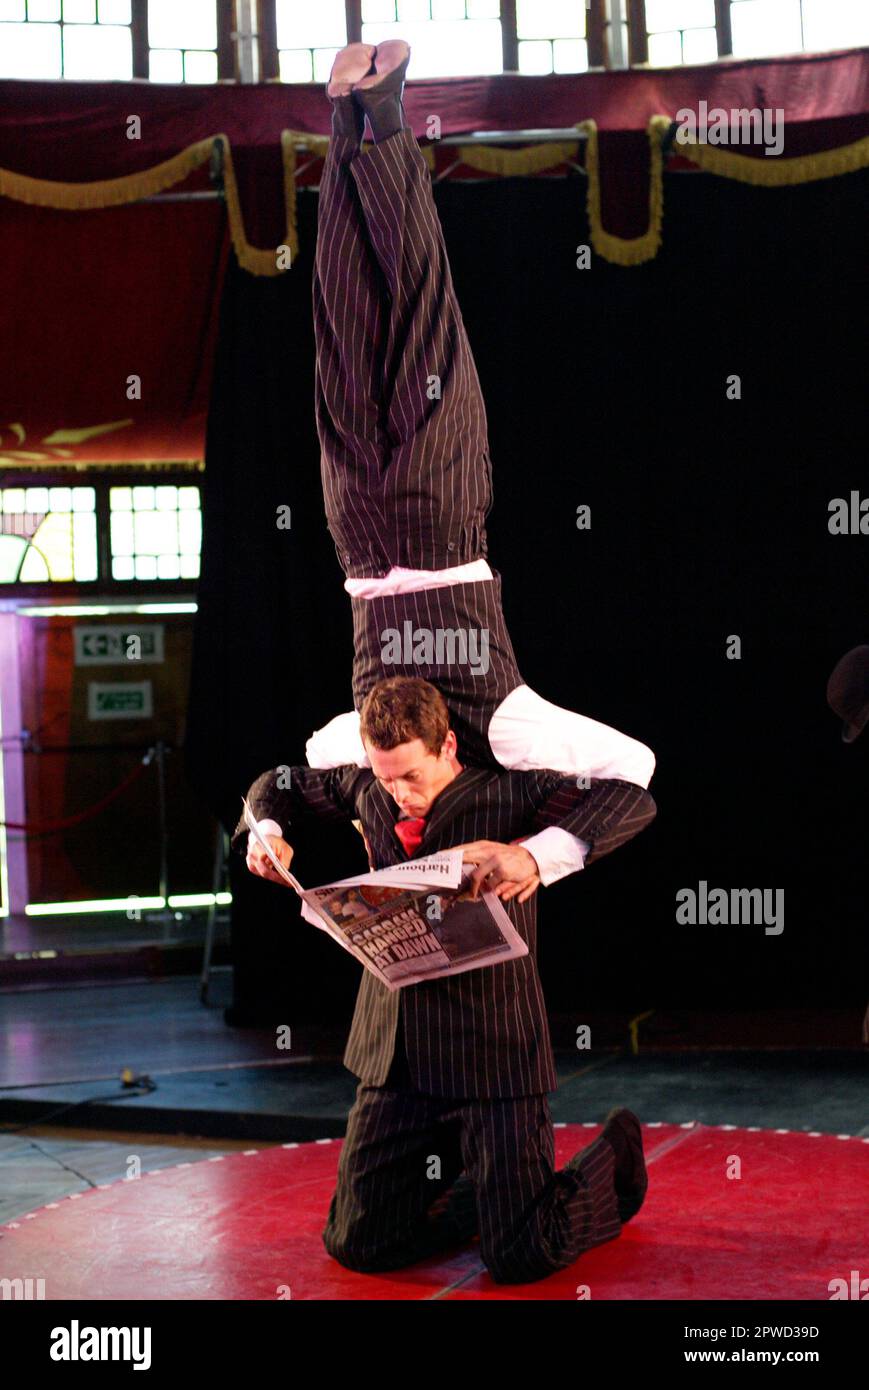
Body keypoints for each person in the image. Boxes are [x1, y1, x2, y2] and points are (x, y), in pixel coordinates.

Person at [308, 38, 656, 788]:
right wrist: (532, 855)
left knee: (339, 315)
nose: (399, 786)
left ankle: (343, 117)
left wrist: (271, 823)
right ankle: (384, 110)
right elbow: (633, 764)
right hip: (437, 514)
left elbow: (310, 758)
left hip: (358, 536)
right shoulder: (505, 729)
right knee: (417, 300)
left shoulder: (369, 738)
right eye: (409, 783)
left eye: (394, 782)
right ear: (451, 758)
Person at [233, 674, 656, 1284]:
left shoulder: (514, 793)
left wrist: (536, 855)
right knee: (358, 1243)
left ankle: (612, 1163)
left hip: (493, 1054)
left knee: (524, 1254)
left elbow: (633, 798)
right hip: (399, 1057)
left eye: (412, 775)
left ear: (449, 748)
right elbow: (276, 783)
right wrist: (266, 831)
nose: (400, 793)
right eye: (385, 777)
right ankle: (484, 1203)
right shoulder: (368, 790)